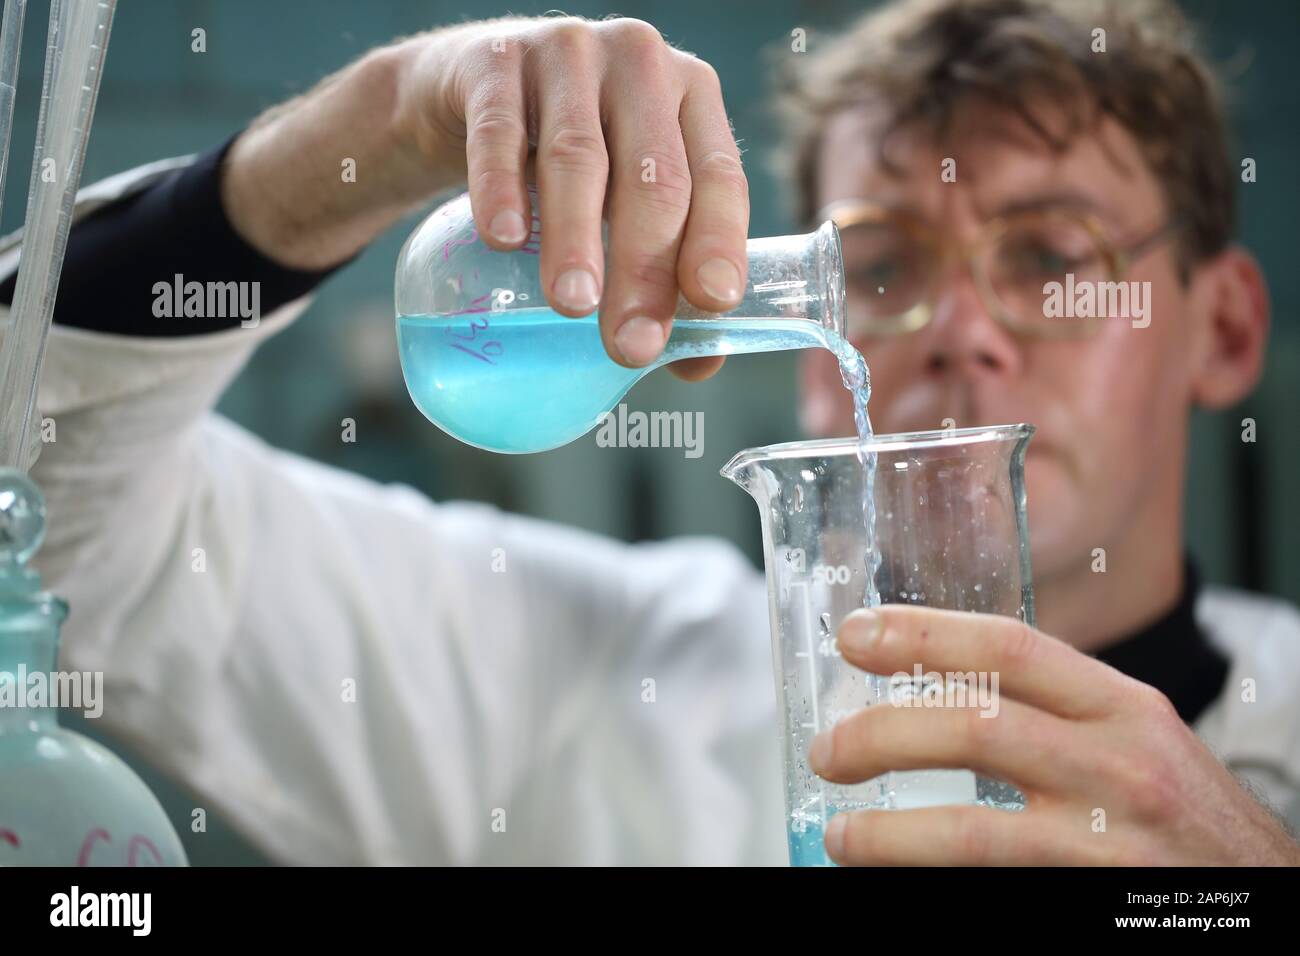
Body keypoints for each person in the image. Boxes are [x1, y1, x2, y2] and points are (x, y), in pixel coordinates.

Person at [1, 0, 1296, 865]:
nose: (960, 330)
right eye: (887, 264)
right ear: (803, 353)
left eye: (1051, 257)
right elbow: (55, 523)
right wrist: (384, 123)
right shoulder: (585, 672)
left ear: (1225, 330)